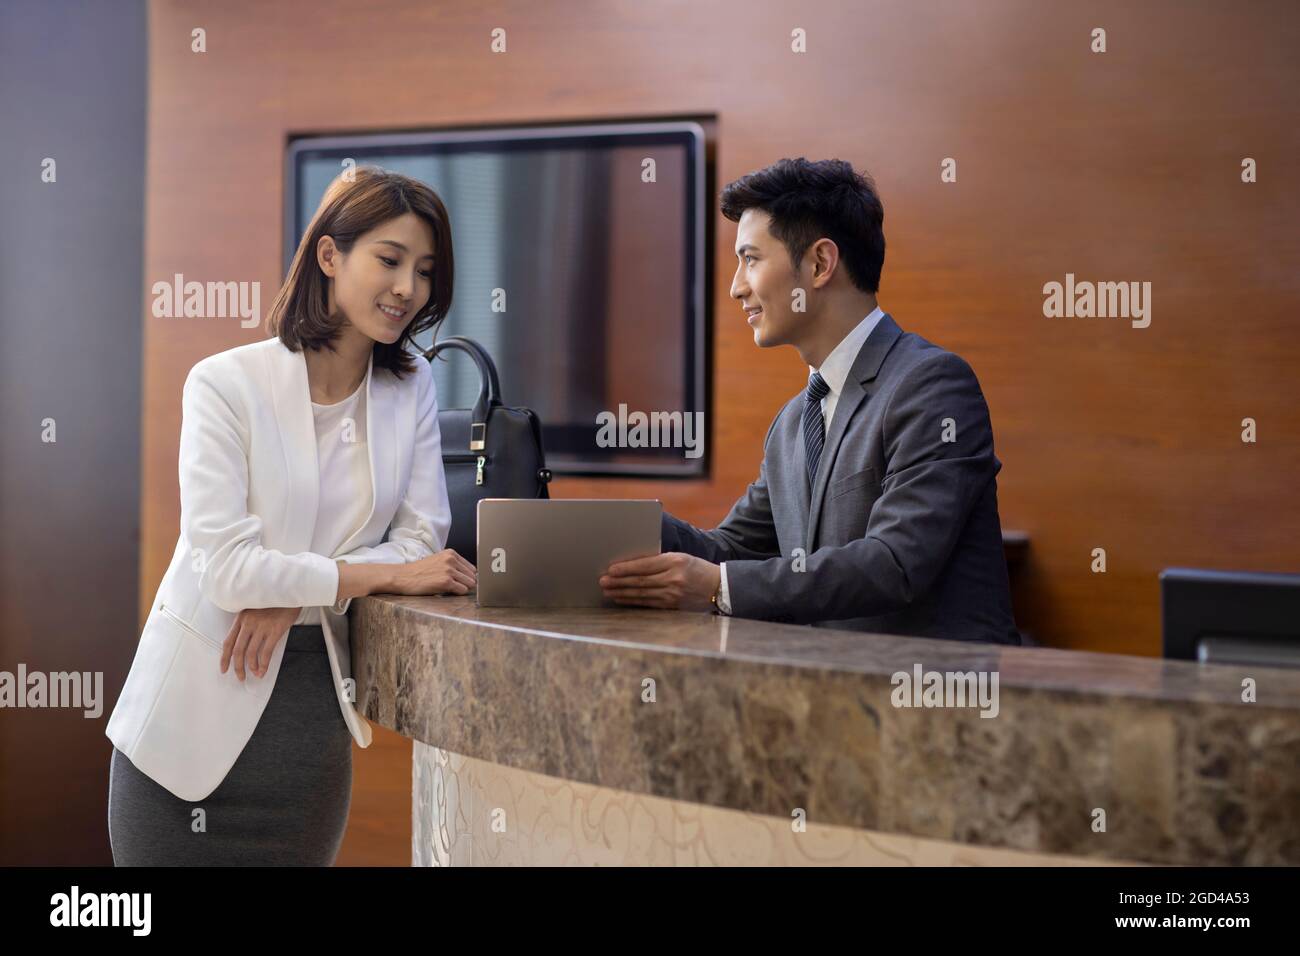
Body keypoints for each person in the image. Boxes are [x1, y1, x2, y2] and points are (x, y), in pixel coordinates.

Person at [106, 166, 477, 865]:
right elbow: (226, 570)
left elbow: (424, 541)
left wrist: (292, 589)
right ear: (330, 257)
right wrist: (348, 578)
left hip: (309, 726)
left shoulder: (412, 386)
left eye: (424, 271)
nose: (408, 288)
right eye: (390, 260)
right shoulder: (225, 384)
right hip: (186, 725)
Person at [600, 158, 1020, 645]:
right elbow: (732, 548)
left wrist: (717, 588)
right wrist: (616, 529)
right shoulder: (793, 422)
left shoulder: (933, 384)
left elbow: (895, 562)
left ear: (820, 263)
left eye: (751, 259)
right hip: (833, 700)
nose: (737, 286)